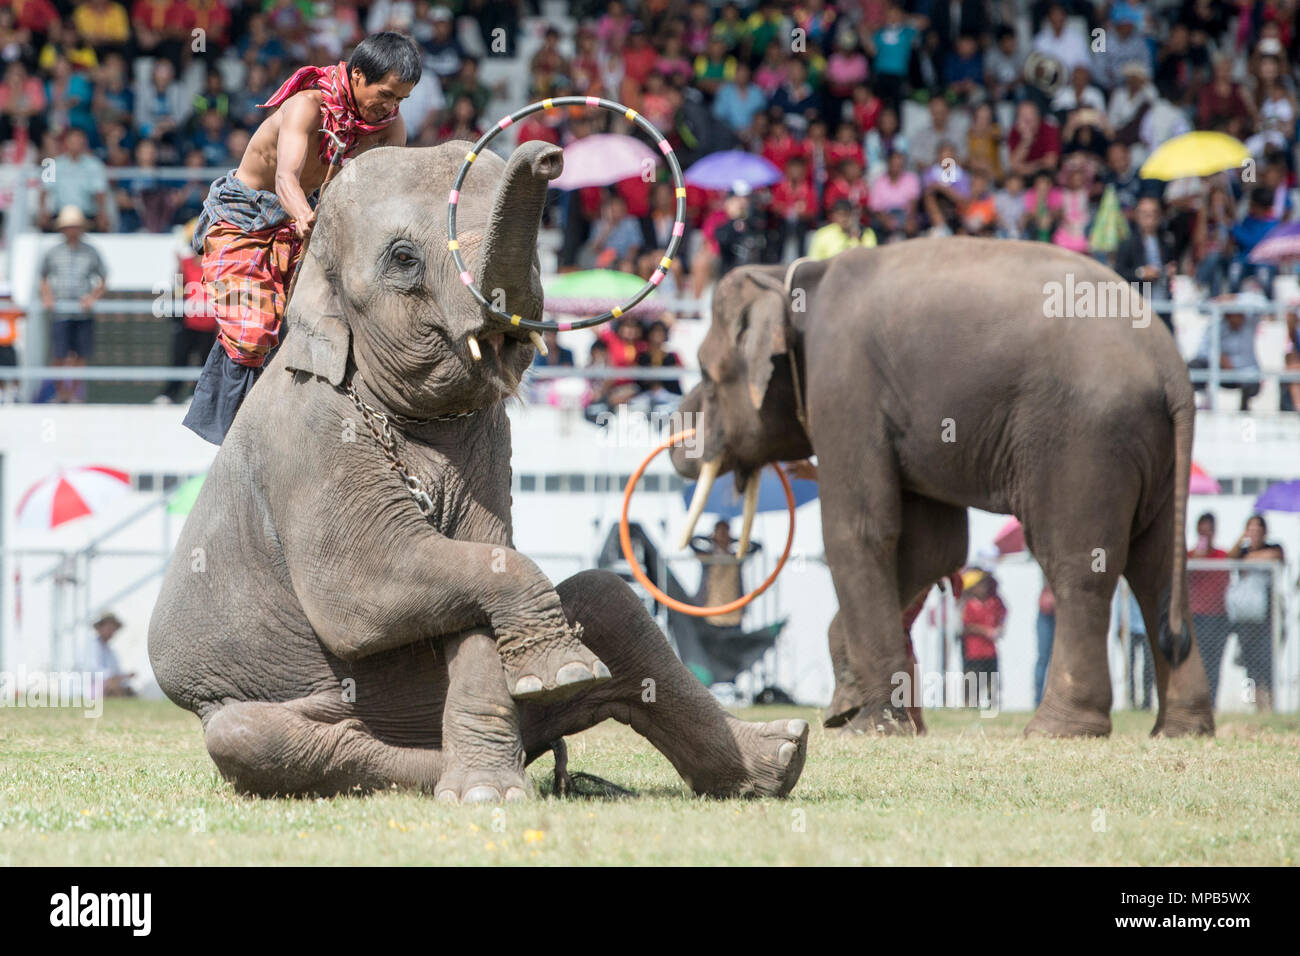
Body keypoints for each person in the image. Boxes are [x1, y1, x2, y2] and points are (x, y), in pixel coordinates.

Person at [183, 33, 418, 445]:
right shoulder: (307, 106)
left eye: (401, 99)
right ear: (358, 74)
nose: (391, 107)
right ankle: (234, 441)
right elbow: (285, 179)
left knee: (325, 322)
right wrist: (309, 220)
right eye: (385, 94)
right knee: (252, 332)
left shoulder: (388, 126)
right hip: (245, 217)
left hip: (311, 219)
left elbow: (383, 195)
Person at [39, 206, 106, 403]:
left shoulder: (91, 251)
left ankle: (75, 394)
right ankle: (62, 394)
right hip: (60, 311)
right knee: (59, 354)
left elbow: (102, 279)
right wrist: (48, 297)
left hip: (82, 312)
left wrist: (92, 298)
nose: (72, 230)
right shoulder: (53, 252)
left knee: (80, 355)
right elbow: (43, 277)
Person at [1227, 514, 1283, 711]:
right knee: (1249, 664)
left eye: (1257, 529)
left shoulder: (1274, 548)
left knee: (1267, 662)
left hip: (1268, 618)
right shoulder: (1241, 551)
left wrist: (1249, 558)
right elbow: (1231, 557)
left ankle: (1271, 703)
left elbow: (1277, 556)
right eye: (1250, 529)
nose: (1254, 533)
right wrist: (1243, 539)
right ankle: (1254, 704)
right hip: (1246, 618)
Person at [1189, 292, 1267, 411]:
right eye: (1234, 313)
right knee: (1195, 366)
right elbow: (1203, 351)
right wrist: (1219, 358)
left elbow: (1263, 302)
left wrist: (1234, 298)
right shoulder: (1216, 326)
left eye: (1240, 312)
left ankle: (1244, 407)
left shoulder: (1250, 323)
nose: (1240, 316)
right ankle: (1203, 399)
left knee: (1253, 382)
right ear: (1227, 315)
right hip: (1221, 371)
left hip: (1244, 372)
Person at [1188, 512, 1230, 708]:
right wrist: (1196, 556)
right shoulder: (1189, 556)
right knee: (1196, 663)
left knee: (1215, 663)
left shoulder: (1222, 555)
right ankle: (1195, 702)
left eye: (1209, 530)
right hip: (1196, 617)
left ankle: (1212, 703)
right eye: (1202, 530)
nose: (1205, 534)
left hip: (1219, 617)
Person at [691, 519, 759, 630]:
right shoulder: (707, 557)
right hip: (710, 614)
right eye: (719, 532)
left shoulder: (736, 557)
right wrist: (711, 540)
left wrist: (735, 540)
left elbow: (756, 546)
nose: (722, 535)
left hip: (734, 614)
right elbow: (691, 541)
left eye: (725, 532)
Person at [959, 568, 1005, 708]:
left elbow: (1003, 613)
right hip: (973, 650)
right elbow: (966, 626)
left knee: (992, 678)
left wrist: (999, 628)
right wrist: (985, 631)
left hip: (990, 650)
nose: (983, 588)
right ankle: (970, 703)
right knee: (973, 678)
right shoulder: (968, 605)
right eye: (980, 584)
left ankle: (993, 703)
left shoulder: (994, 602)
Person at [75, 611, 135, 698]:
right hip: (91, 687)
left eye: (113, 629)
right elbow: (94, 670)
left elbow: (116, 671)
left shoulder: (111, 651)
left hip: (106, 683)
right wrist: (115, 677)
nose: (111, 632)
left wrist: (124, 676)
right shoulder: (91, 646)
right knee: (113, 686)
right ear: (100, 628)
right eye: (109, 628)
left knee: (127, 689)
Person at [809, 198, 876, 259]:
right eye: (840, 215)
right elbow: (814, 260)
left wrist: (856, 239)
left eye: (847, 214)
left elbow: (870, 258)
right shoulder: (823, 234)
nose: (844, 219)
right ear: (834, 216)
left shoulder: (866, 233)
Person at [1035, 581, 1055, 707]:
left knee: (1060, 660)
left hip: (1065, 612)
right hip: (1047, 613)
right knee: (1043, 659)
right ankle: (1038, 701)